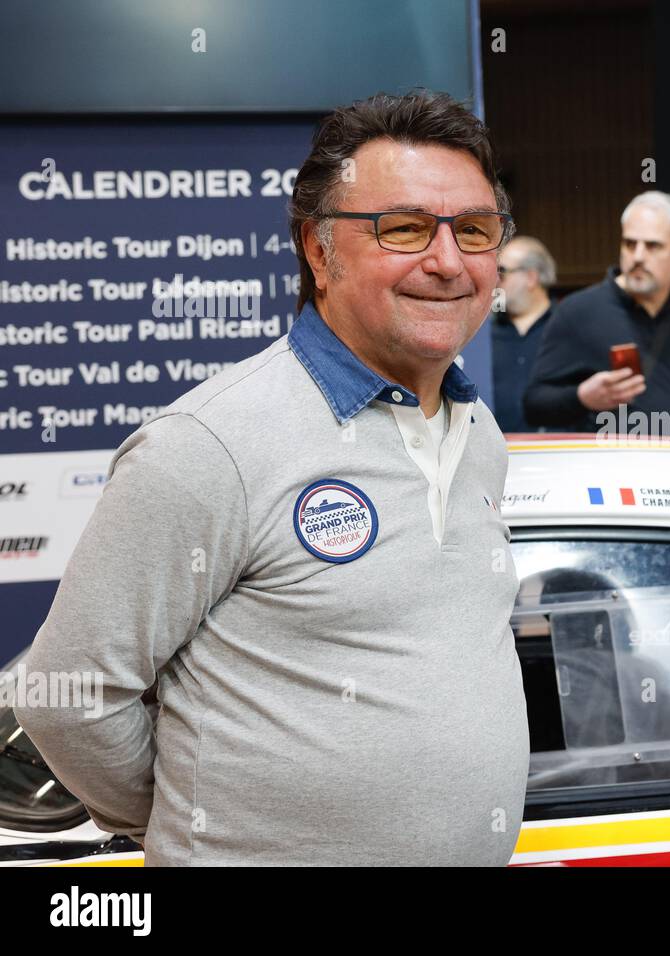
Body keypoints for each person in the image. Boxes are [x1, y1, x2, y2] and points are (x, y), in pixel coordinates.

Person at [15, 91, 530, 865]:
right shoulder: (207, 446)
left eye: (475, 231)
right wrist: (197, 819)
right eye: (405, 228)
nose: (449, 261)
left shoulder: (477, 432)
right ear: (319, 252)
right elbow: (70, 692)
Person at [523, 190, 670, 438]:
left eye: (652, 246)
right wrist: (582, 397)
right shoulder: (577, 311)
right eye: (629, 244)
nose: (637, 256)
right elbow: (534, 405)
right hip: (604, 470)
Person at [492, 235, 555, 432]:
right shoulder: (481, 335)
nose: (495, 280)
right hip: (497, 454)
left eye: (502, 272)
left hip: (559, 452)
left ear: (531, 278)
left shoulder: (566, 328)